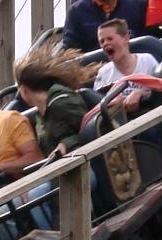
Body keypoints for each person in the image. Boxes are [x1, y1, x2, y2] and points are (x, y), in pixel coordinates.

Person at [14, 45, 101, 229]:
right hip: (59, 170)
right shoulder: (38, 117)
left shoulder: (63, 100)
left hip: (87, 164)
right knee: (27, 196)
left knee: (37, 196)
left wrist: (66, 143)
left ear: (24, 89)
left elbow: (91, 130)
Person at [93, 18, 160, 110]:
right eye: (102, 41)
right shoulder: (103, 74)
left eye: (110, 39)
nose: (105, 43)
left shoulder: (147, 60)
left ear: (126, 38)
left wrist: (141, 93)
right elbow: (98, 108)